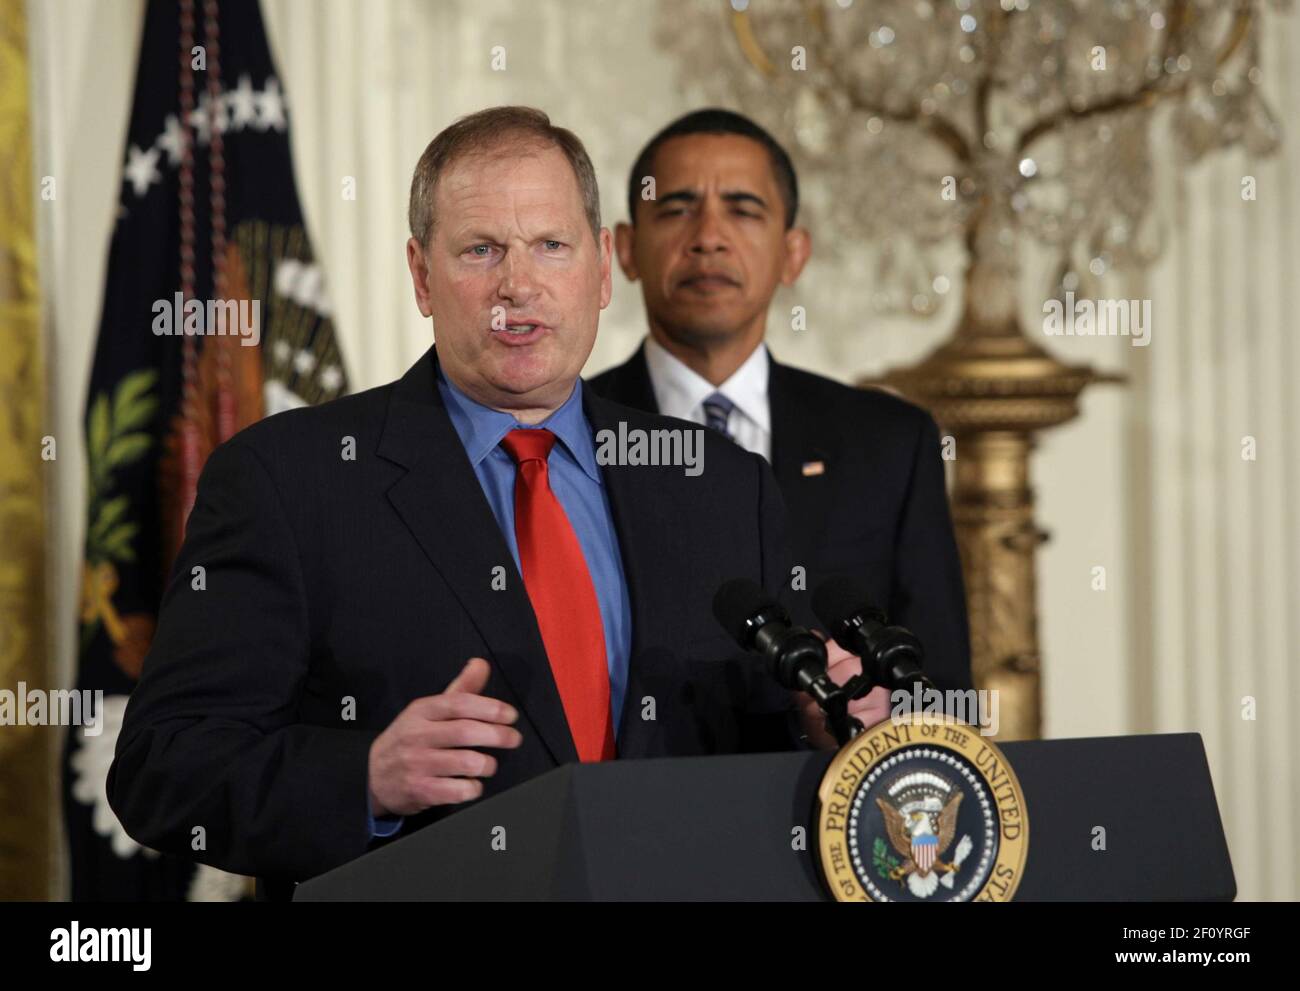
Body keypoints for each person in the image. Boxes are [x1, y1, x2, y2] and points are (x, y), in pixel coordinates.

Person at [107, 106, 889, 900]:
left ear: (601, 269)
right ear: (421, 275)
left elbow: (764, 747)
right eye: (481, 250)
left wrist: (831, 729)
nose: (519, 284)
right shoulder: (288, 480)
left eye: (551, 245)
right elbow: (164, 768)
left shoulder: (721, 485)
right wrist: (365, 778)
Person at [589, 109, 972, 694]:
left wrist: (877, 715)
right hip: (634, 783)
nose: (708, 238)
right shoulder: (568, 432)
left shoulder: (888, 443)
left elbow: (941, 686)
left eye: (743, 210)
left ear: (793, 252)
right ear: (626, 250)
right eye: (676, 208)